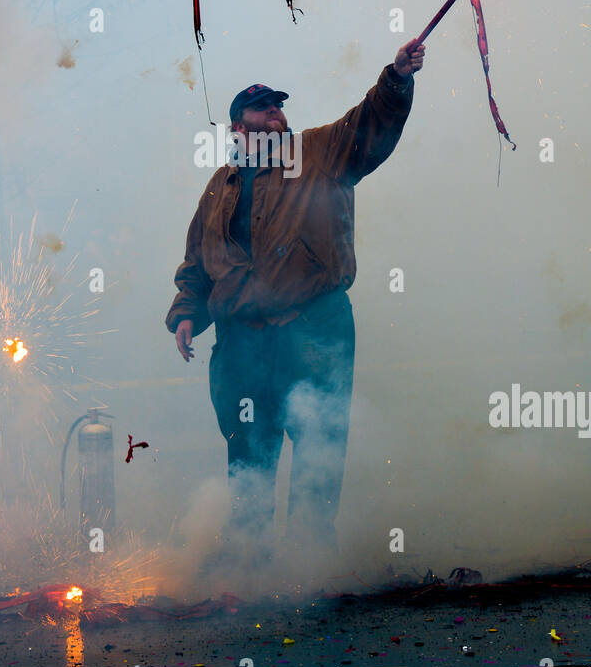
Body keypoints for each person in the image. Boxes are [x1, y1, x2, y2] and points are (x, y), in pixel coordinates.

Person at [165, 39, 425, 561]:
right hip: (242, 342)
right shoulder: (219, 188)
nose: (277, 114)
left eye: (280, 106)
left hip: (314, 327)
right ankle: (250, 559)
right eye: (265, 108)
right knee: (247, 446)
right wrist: (186, 313)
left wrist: (395, 79)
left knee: (319, 443)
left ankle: (310, 560)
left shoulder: (319, 154)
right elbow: (198, 260)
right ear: (239, 126)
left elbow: (370, 123)